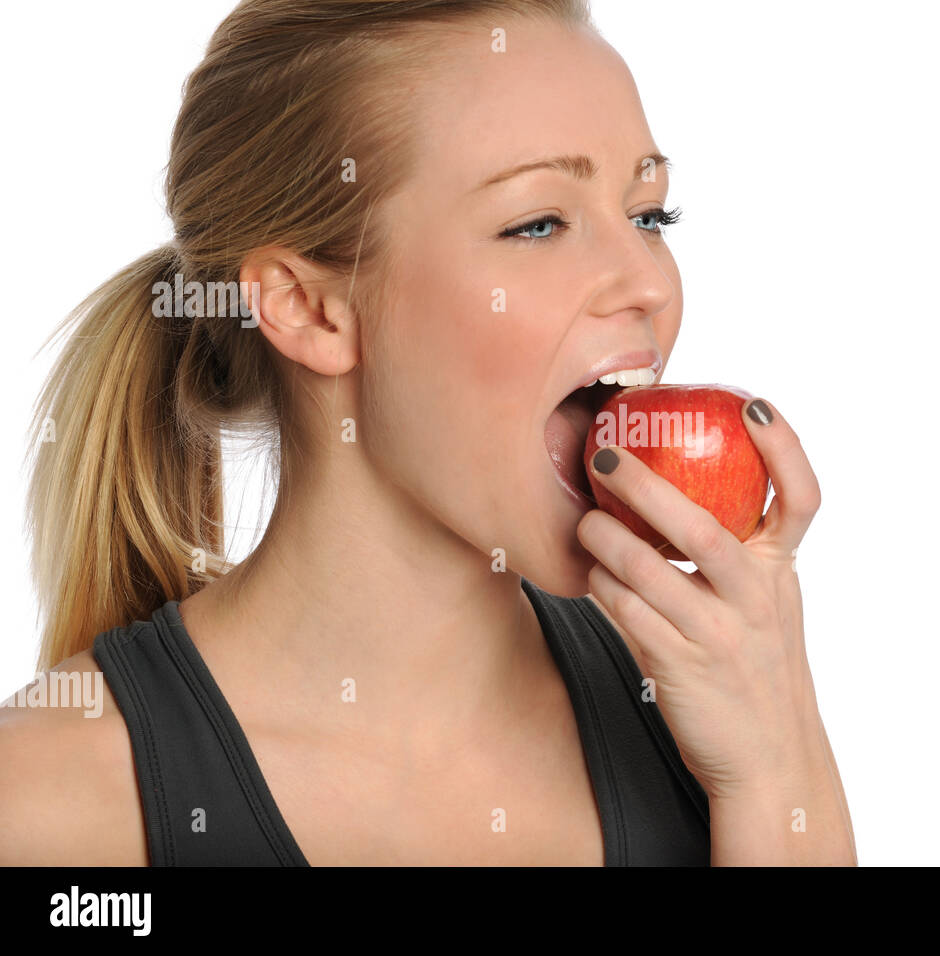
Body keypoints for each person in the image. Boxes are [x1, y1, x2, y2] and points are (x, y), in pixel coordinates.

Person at [0, 0, 854, 866]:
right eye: (537, 224)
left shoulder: (713, 710)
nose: (648, 282)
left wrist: (776, 769)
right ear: (309, 309)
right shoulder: (46, 805)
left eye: (648, 216)